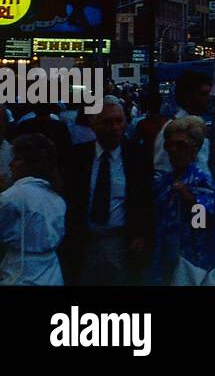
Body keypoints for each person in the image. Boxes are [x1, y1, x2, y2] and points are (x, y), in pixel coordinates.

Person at [61, 97, 154, 285]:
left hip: (121, 242)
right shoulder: (76, 157)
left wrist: (142, 235)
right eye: (107, 122)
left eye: (119, 121)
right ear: (93, 124)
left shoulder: (138, 156)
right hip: (85, 242)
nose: (114, 128)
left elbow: (146, 200)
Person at [152, 116, 215, 285]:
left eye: (181, 145)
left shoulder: (201, 181)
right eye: (169, 145)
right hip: (164, 262)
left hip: (192, 267)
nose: (173, 150)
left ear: (194, 150)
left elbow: (202, 224)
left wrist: (191, 201)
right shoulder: (162, 182)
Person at [0, 133, 66, 285]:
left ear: (31, 163)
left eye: (17, 159)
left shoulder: (13, 196)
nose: (11, 164)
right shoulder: (57, 198)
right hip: (52, 273)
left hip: (20, 273)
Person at [152, 72, 211, 174]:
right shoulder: (171, 131)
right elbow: (161, 171)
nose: (208, 98)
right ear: (188, 96)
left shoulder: (200, 128)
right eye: (202, 94)